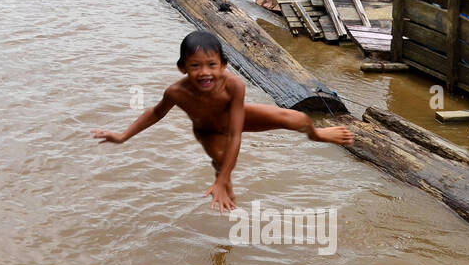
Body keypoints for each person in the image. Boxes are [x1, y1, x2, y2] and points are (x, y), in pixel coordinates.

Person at [92, 30, 353, 214]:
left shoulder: (234, 85)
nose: (204, 72)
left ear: (224, 65)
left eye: (211, 65)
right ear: (183, 68)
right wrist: (123, 136)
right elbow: (156, 113)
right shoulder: (176, 92)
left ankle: (317, 135)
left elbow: (236, 134)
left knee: (296, 117)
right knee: (218, 156)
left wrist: (223, 177)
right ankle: (223, 186)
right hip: (207, 129)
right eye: (195, 66)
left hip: (236, 119)